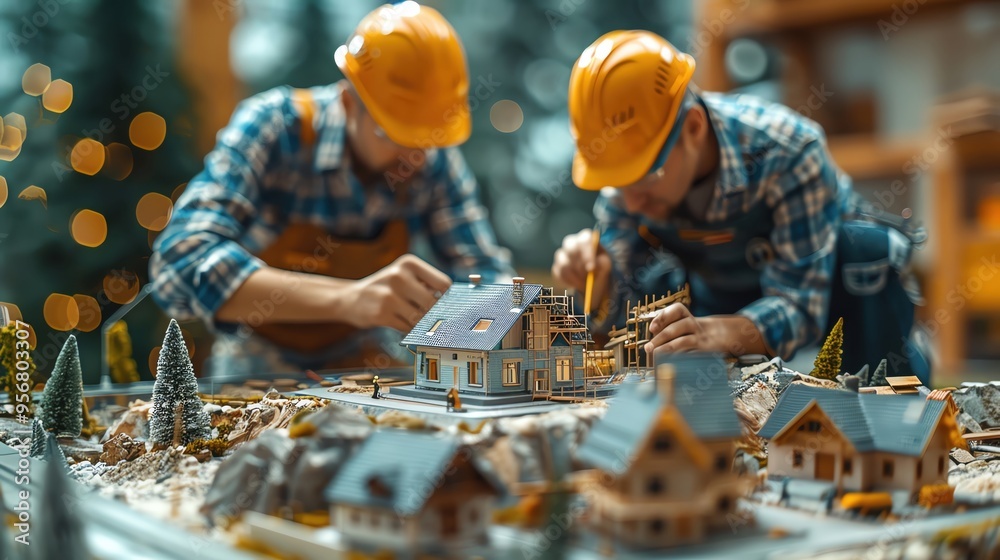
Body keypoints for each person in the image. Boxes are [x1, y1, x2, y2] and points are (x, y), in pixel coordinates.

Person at [150, 2, 513, 376]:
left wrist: (485, 316)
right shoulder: (274, 128)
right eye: (396, 134)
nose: (415, 157)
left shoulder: (432, 157)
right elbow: (178, 264)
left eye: (427, 138)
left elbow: (486, 275)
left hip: (366, 358)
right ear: (347, 102)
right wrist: (349, 299)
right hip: (256, 362)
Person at [552, 30, 930, 382]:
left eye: (644, 176)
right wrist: (600, 284)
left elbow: (800, 309)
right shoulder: (631, 175)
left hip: (831, 294)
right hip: (722, 289)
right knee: (659, 281)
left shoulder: (789, 151)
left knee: (866, 252)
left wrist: (712, 332)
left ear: (694, 128)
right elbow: (620, 308)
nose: (629, 200)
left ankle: (897, 382)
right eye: (616, 181)